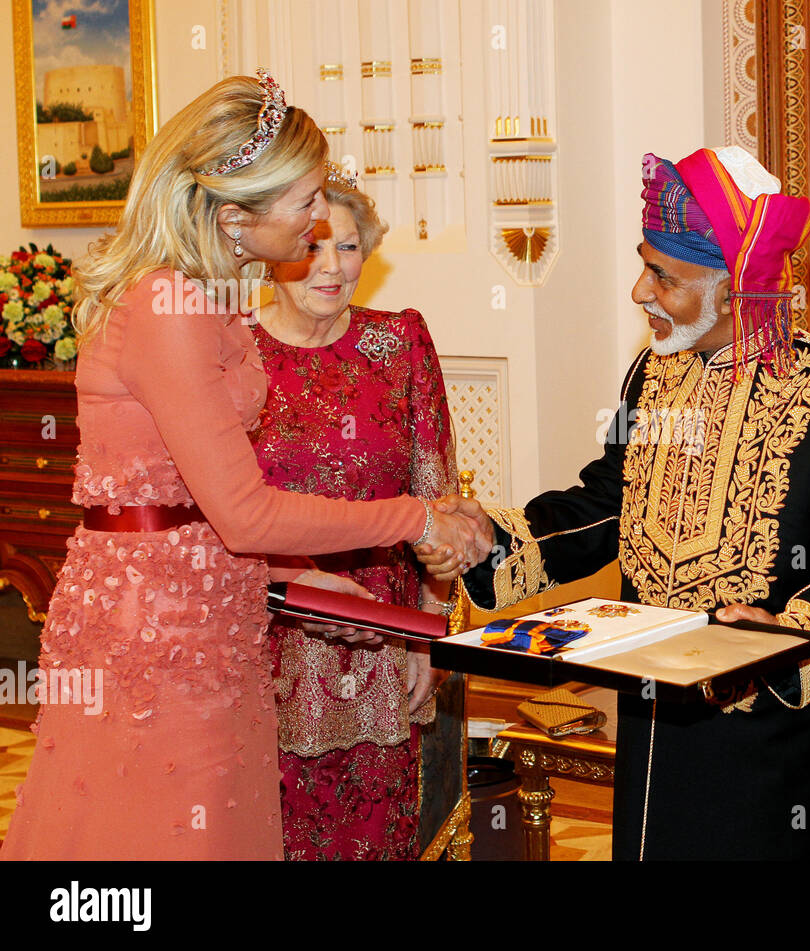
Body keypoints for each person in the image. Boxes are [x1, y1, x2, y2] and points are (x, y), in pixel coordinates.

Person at [0, 71, 484, 861]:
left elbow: (203, 507)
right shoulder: (168, 308)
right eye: (306, 201)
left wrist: (293, 577)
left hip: (214, 612)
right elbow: (243, 510)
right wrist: (419, 516)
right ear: (233, 216)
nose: (322, 218)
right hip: (157, 637)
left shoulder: (204, 295)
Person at [437, 146, 810, 860]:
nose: (640, 290)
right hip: (659, 728)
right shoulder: (652, 376)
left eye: (662, 275)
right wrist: (496, 538)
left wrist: (784, 634)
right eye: (644, 265)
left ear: (735, 290)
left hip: (781, 739)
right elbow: (608, 502)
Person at [250, 163, 455, 860]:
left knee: (375, 834)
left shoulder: (398, 342)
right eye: (313, 246)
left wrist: (428, 628)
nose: (333, 267)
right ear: (275, 250)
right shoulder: (233, 349)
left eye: (348, 246)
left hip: (379, 643)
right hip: (264, 640)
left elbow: (437, 497)